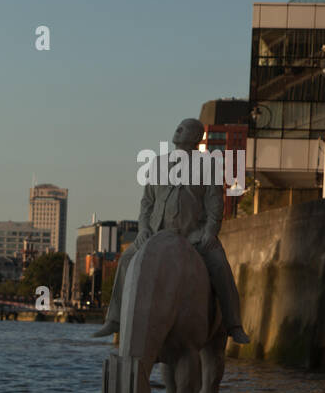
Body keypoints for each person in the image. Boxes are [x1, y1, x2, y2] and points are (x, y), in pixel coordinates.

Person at [93, 118, 250, 344]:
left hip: (194, 235)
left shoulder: (209, 166)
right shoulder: (157, 164)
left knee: (220, 266)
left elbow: (215, 204)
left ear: (196, 137)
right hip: (156, 234)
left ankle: (233, 324)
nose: (177, 130)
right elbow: (147, 203)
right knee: (126, 260)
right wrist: (143, 229)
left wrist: (210, 232)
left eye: (184, 128)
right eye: (178, 127)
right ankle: (114, 318)